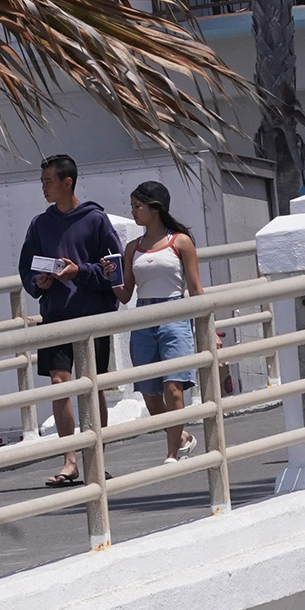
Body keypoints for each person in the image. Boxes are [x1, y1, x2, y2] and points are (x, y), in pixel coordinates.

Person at [17, 155, 123, 488]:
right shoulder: (39, 224)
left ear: (68, 182)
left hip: (92, 316)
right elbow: (27, 269)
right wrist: (39, 283)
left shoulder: (95, 220)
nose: (44, 188)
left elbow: (114, 269)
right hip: (55, 315)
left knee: (93, 386)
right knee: (59, 383)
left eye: (49, 181)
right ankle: (69, 460)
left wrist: (81, 271)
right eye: (42, 181)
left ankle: (97, 455)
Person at [113, 181, 202, 464]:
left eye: (138, 206)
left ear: (155, 208)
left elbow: (195, 288)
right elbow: (126, 294)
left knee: (173, 388)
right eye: (132, 207)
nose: (134, 212)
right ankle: (183, 436)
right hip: (143, 316)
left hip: (174, 313)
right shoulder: (132, 248)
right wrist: (111, 277)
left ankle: (172, 453)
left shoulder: (180, 242)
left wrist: (208, 329)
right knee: (150, 395)